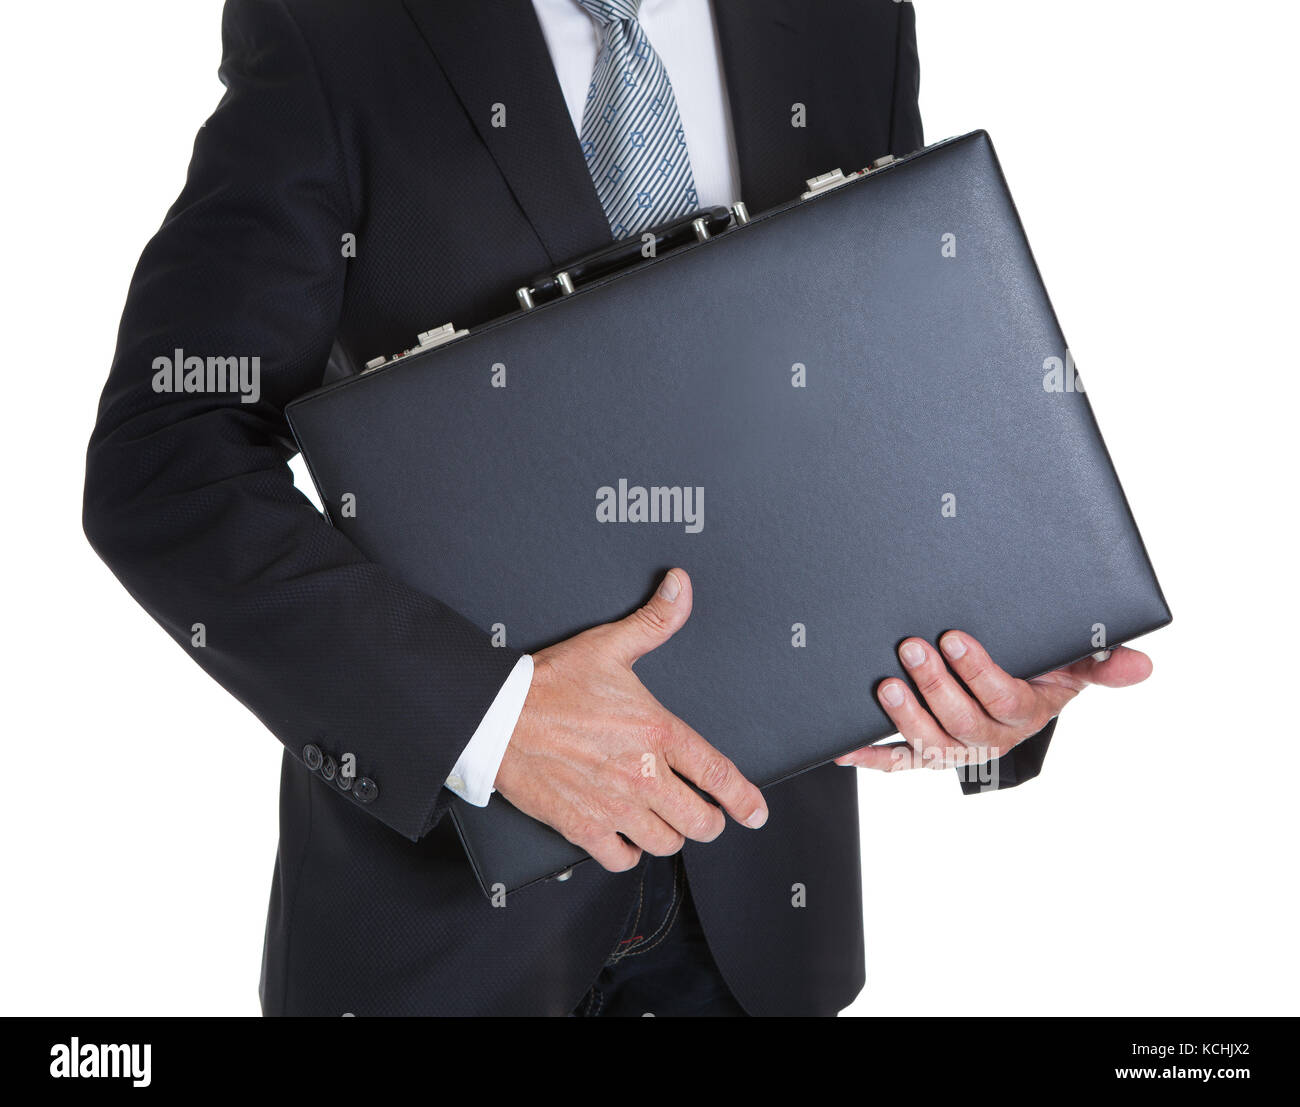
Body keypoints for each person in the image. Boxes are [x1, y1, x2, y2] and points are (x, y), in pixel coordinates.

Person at [83, 0, 1152, 1016]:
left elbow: (882, 389)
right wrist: (486, 721)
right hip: (444, 937)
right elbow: (167, 457)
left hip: (762, 938)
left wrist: (990, 676)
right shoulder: (337, 30)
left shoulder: (848, 18)